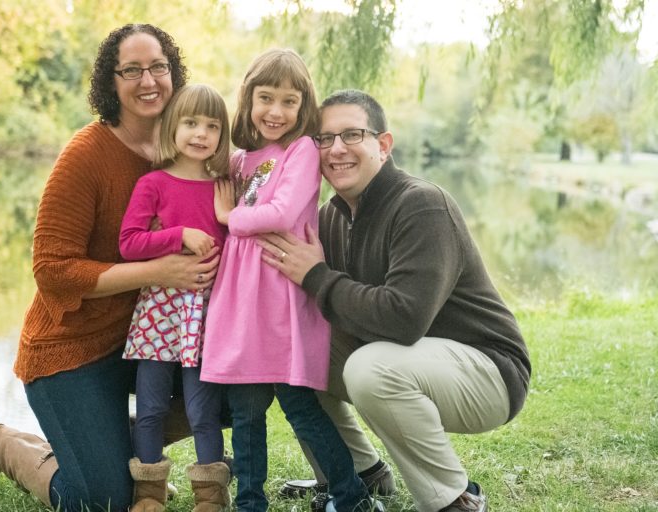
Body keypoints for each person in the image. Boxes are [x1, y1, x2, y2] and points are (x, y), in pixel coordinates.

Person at [0, 24, 220, 512]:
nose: (148, 80)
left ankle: (120, 450)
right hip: (72, 347)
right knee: (101, 501)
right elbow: (52, 270)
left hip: (152, 342)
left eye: (158, 66)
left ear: (174, 72)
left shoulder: (189, 147)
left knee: (237, 390)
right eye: (131, 70)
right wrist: (159, 271)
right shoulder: (86, 155)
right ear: (110, 82)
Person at [258, 89, 531, 512]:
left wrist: (316, 275)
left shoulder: (422, 205)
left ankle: (454, 499)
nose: (336, 150)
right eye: (324, 139)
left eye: (352, 135)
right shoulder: (329, 217)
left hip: (487, 372)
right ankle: (357, 474)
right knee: (289, 343)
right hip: (404, 360)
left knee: (371, 368)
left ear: (383, 145)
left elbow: (405, 319)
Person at [200, 49, 383, 512]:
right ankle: (249, 503)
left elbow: (279, 214)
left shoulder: (302, 151)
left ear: (304, 107)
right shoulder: (242, 159)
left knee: (300, 405)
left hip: (279, 294)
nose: (276, 112)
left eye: (289, 101)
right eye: (266, 98)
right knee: (244, 412)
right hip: (240, 299)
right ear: (249, 99)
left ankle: (350, 495)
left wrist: (229, 216)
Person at [118, 83, 231, 512]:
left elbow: (237, 245)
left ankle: (210, 495)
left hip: (206, 314)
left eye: (212, 125)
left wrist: (228, 219)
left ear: (222, 134)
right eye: (190, 123)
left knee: (202, 410)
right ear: (172, 127)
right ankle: (148, 494)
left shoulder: (224, 186)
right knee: (149, 408)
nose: (200, 133)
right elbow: (129, 243)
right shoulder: (154, 184)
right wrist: (179, 234)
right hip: (159, 314)